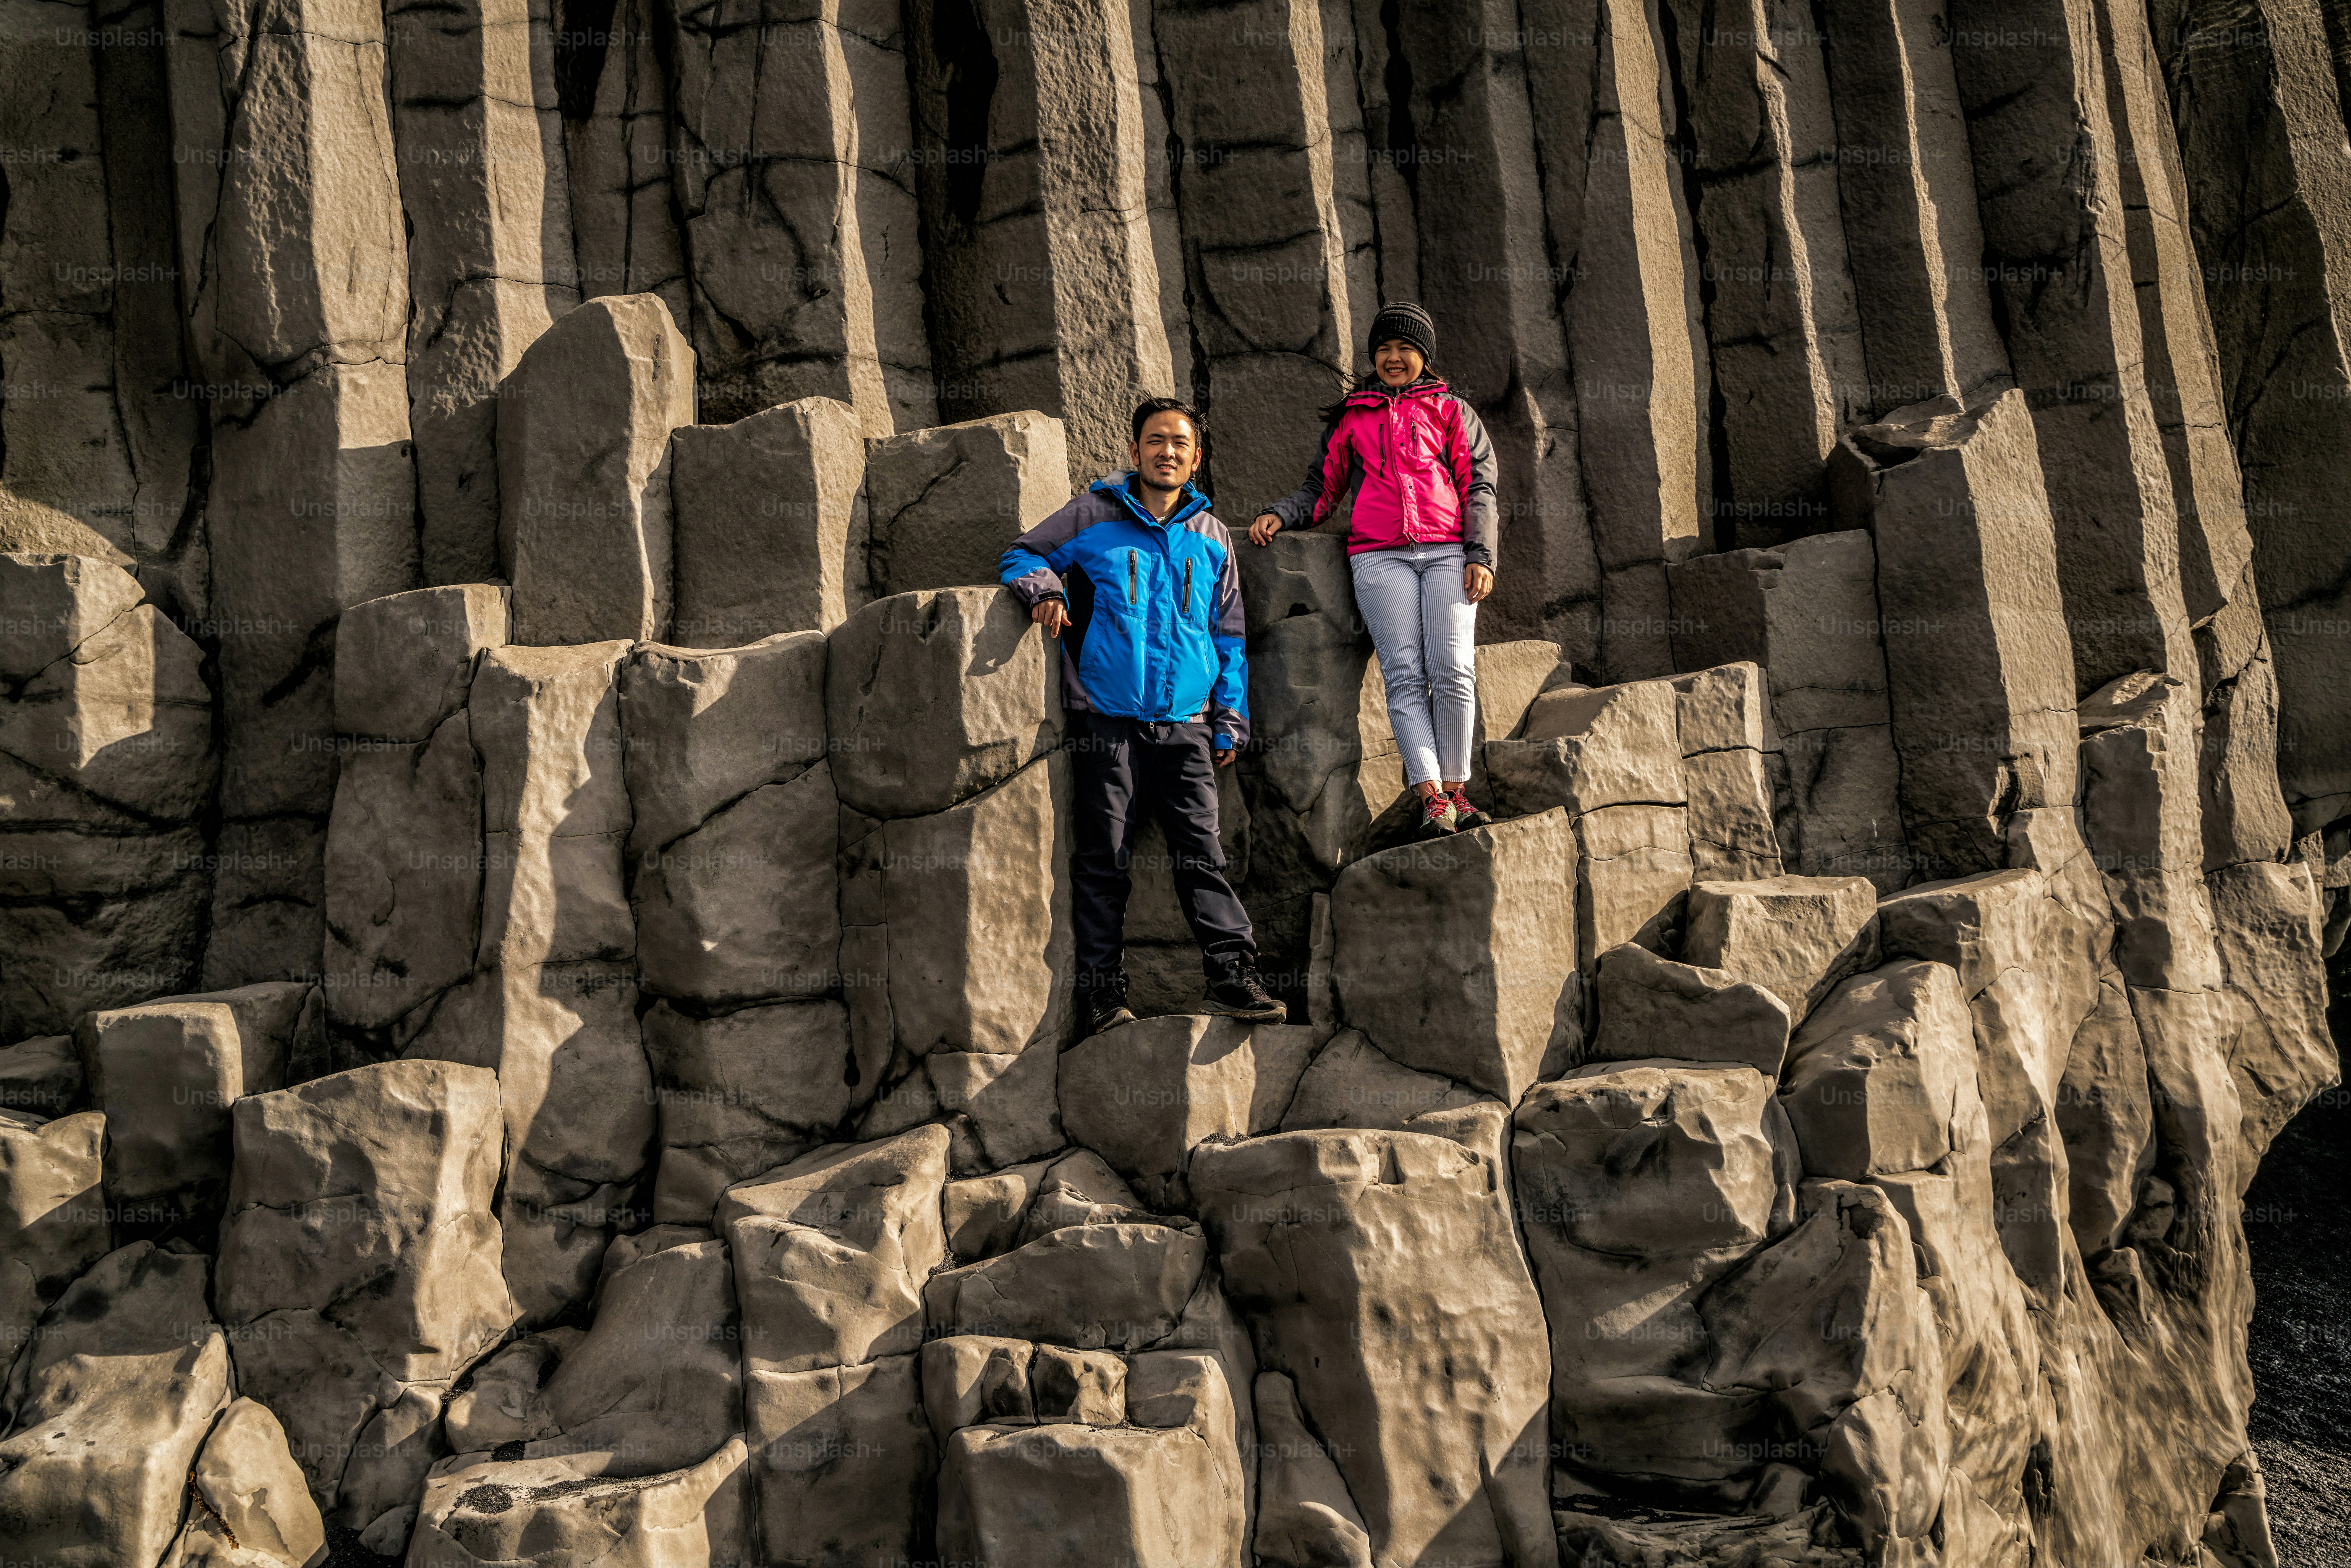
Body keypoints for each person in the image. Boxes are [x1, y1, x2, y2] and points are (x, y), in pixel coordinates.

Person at [999, 397, 1287, 1036]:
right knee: (1104, 860)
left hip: (1188, 725)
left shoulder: (1211, 535)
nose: (1167, 452)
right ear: (1135, 452)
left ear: (1196, 458)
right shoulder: (1092, 514)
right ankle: (1104, 997)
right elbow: (1022, 554)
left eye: (1180, 443)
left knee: (1202, 856)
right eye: (1156, 441)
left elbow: (1229, 634)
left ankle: (1231, 978)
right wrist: (1045, 591)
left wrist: (1231, 717)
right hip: (1106, 722)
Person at [1249, 301, 1497, 838]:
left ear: (1425, 356)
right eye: (1384, 348)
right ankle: (1432, 798)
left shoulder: (1452, 411)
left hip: (1448, 551)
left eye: (1405, 348)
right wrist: (1281, 513)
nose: (1393, 357)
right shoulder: (1353, 417)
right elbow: (1322, 491)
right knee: (1404, 674)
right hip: (1379, 557)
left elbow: (1478, 485)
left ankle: (1458, 791)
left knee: (1454, 669)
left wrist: (1481, 556)